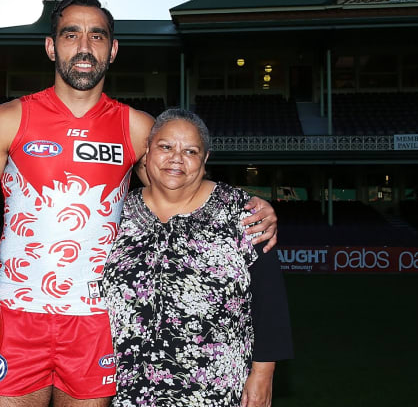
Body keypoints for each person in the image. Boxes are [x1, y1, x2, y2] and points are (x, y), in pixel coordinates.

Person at [0, 0, 278, 407]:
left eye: (97, 36)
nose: (84, 46)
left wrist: (250, 205)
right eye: (71, 34)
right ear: (52, 47)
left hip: (96, 321)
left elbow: (184, 189)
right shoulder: (8, 119)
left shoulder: (137, 128)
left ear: (113, 49)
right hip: (15, 315)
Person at [103, 109, 292, 407]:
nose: (176, 158)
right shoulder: (112, 213)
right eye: (166, 147)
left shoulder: (243, 214)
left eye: (190, 151)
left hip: (214, 389)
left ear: (204, 160)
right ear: (147, 151)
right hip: (126, 387)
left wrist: (263, 373)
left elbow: (269, 300)